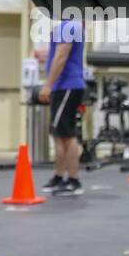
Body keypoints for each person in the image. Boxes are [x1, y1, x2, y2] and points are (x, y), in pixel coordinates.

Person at [38, 16, 87, 196]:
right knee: (59, 134)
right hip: (64, 86)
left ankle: (73, 180)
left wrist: (48, 85)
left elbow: (61, 57)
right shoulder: (68, 26)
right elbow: (58, 54)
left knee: (66, 135)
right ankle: (59, 176)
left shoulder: (70, 26)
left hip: (66, 85)